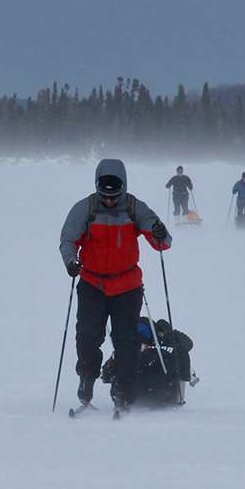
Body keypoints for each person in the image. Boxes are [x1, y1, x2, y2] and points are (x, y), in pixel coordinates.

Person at [60, 158, 172, 410]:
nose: (109, 201)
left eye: (114, 197)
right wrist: (70, 261)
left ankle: (123, 391)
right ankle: (86, 378)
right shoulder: (85, 209)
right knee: (88, 336)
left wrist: (160, 233)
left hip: (127, 287)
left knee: (126, 340)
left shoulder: (134, 208)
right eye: (105, 197)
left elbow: (164, 243)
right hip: (92, 285)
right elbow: (68, 240)